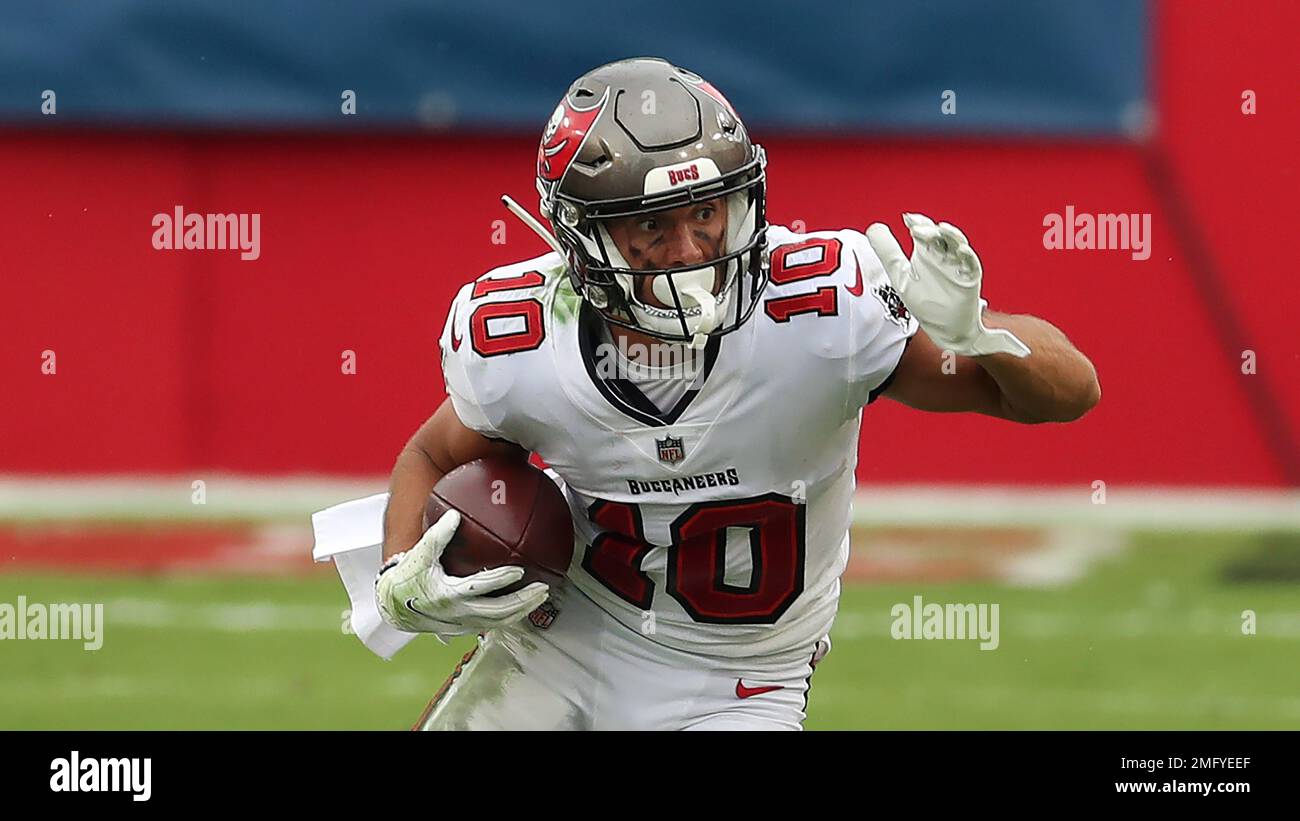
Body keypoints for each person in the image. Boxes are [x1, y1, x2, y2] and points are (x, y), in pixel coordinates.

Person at [374, 57, 1100, 730]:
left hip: (742, 680)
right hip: (570, 641)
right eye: (651, 225)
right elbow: (433, 453)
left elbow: (1071, 394)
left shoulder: (824, 310)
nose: (691, 249)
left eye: (707, 212)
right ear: (582, 239)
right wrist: (396, 572)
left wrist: (978, 331)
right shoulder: (526, 339)